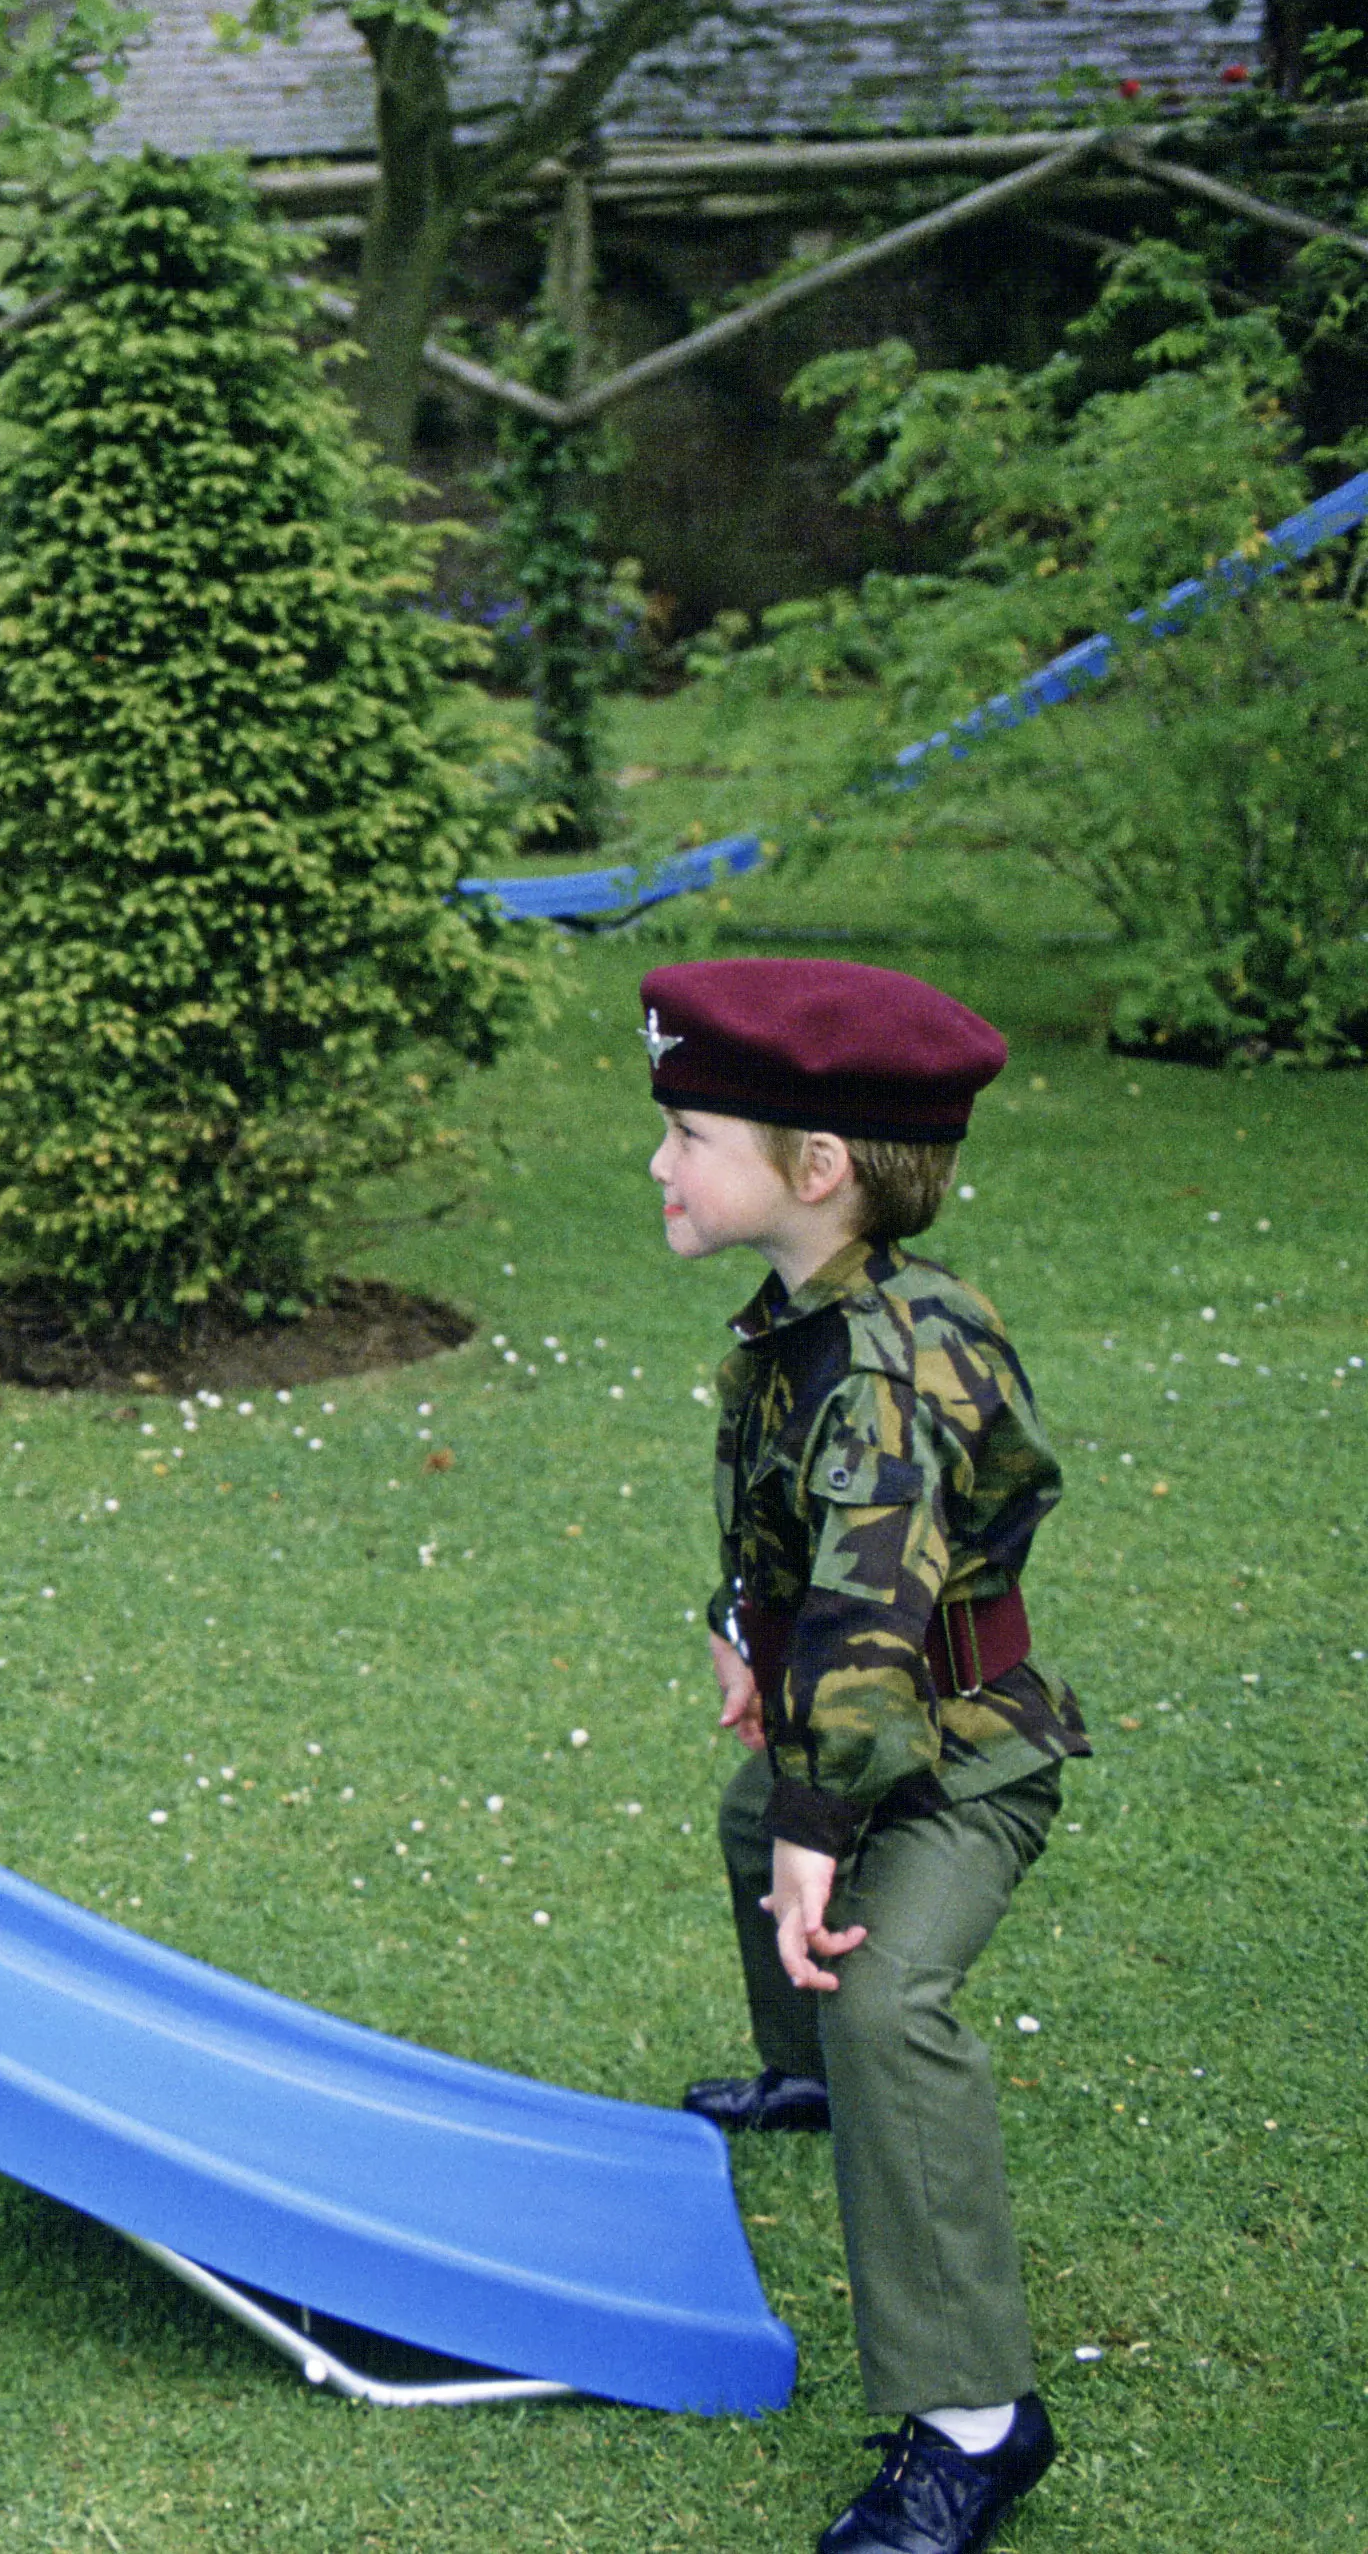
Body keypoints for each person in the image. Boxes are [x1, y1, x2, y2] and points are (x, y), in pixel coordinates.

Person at [639, 958, 1087, 2554]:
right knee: (755, 1819)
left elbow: (882, 1628)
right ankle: (813, 2081)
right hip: (864, 1696)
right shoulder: (813, 1317)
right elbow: (795, 1540)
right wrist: (737, 1629)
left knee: (885, 1990)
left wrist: (835, 1814)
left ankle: (979, 2420)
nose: (660, 1161)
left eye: (690, 1131)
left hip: (965, 1754)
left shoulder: (886, 1375)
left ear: (814, 1170)